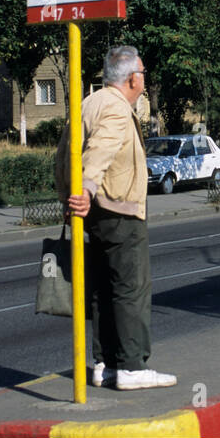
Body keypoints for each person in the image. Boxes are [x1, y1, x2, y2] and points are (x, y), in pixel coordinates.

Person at [55, 46, 176, 391]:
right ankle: (132, 367)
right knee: (131, 287)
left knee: (103, 290)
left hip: (95, 213)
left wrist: (69, 195)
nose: (143, 77)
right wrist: (87, 188)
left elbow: (64, 152)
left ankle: (105, 364)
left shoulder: (89, 102)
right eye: (142, 72)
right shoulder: (117, 109)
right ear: (132, 79)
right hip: (119, 208)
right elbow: (101, 149)